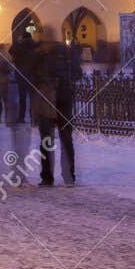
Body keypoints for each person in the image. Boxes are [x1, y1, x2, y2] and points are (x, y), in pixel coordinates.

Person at [31, 35, 79, 186]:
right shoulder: (68, 56)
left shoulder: (41, 57)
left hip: (47, 101)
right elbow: (78, 74)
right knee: (66, 140)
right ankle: (69, 176)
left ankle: (47, 177)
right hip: (65, 99)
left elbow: (32, 77)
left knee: (46, 140)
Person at [9, 29, 36, 124]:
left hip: (21, 75)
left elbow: (10, 51)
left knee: (22, 98)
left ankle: (21, 118)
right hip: (33, 75)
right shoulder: (35, 45)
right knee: (33, 98)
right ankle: (34, 118)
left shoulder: (18, 45)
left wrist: (17, 41)